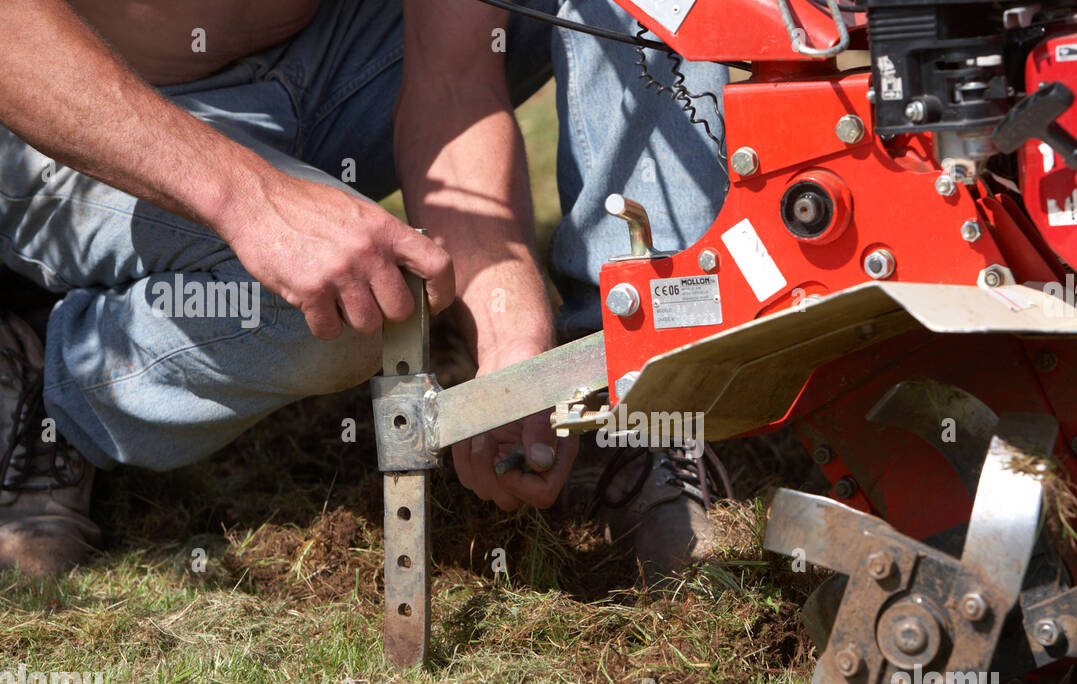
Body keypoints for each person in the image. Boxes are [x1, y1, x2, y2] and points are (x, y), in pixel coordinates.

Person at [0, 0, 732, 577]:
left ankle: (643, 391)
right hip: (67, 109)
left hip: (327, 62)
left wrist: (514, 352)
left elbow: (455, 81)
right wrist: (247, 198)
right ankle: (52, 377)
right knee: (352, 306)